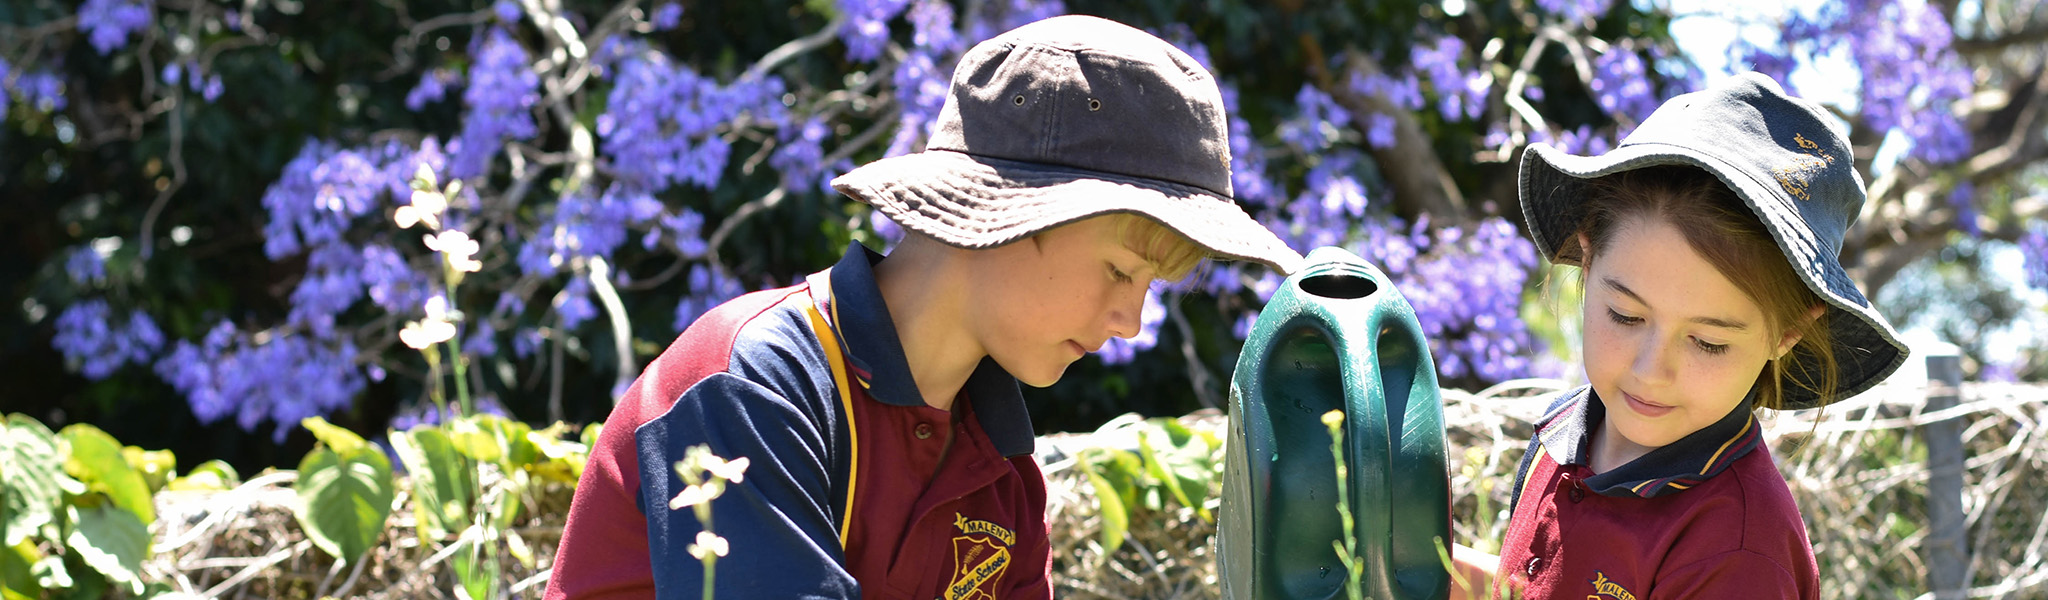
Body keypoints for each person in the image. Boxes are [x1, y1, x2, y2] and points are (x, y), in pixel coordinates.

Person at [544, 14, 1301, 600]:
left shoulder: (1003, 475)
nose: (1129, 321)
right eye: (1118, 269)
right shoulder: (755, 385)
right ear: (1012, 214)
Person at [1451, 72, 1911, 599]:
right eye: (1624, 315)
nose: (1651, 370)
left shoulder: (1739, 552)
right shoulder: (1563, 431)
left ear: (1787, 333)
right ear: (1588, 259)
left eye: (1709, 342)